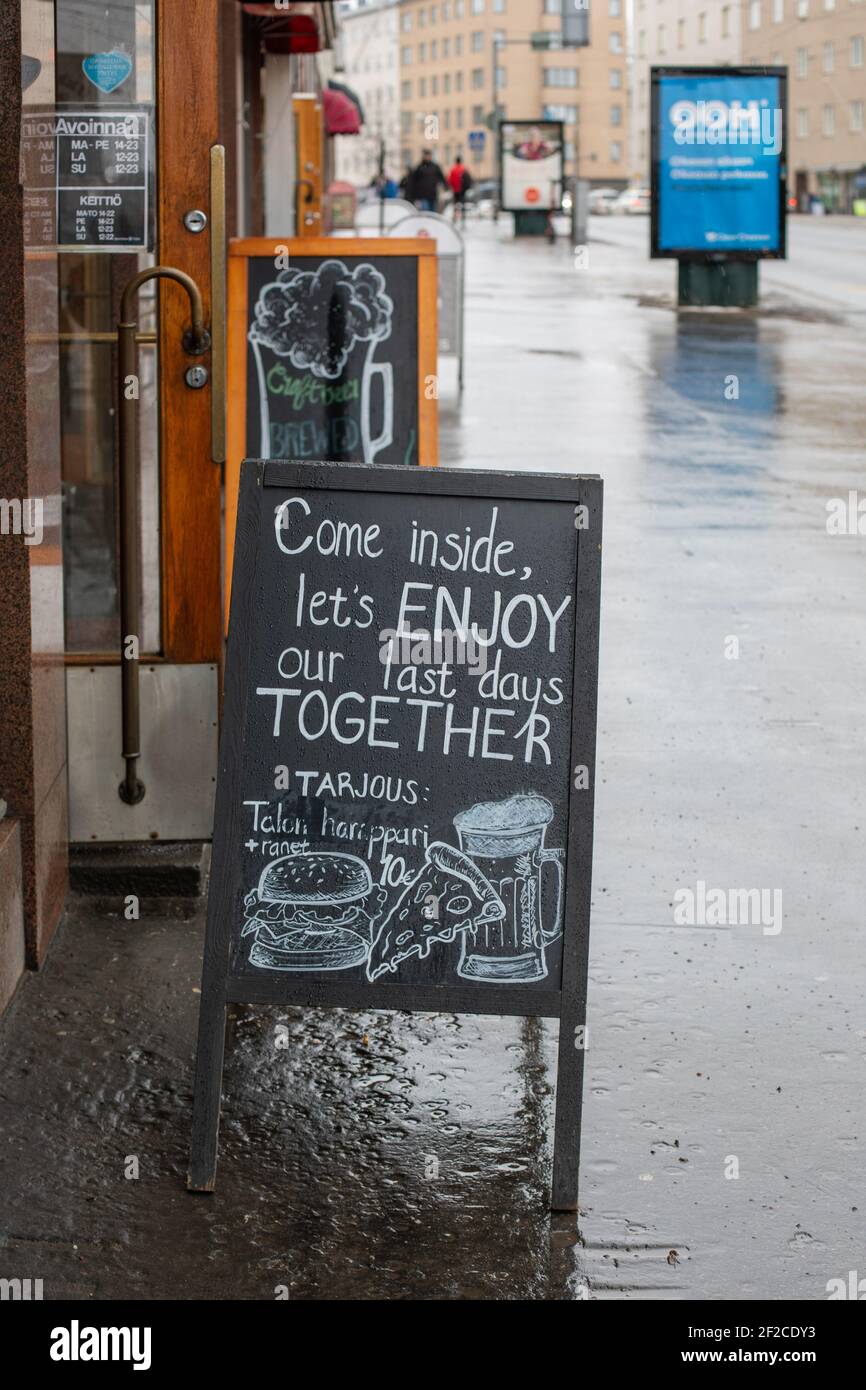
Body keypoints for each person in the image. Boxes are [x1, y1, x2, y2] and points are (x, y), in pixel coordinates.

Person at [447, 153, 473, 221]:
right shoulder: (464, 169)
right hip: (463, 190)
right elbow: (469, 178)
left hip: (456, 190)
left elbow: (449, 180)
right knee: (463, 204)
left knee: (455, 205)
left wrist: (451, 187)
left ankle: (455, 217)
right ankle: (463, 218)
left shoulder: (453, 169)